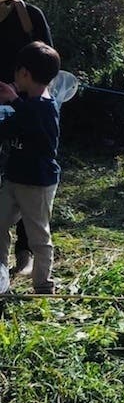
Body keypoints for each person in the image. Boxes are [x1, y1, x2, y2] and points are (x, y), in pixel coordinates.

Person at [0, 0, 53, 276]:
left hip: (28, 105)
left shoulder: (28, 17)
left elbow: (48, 63)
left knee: (28, 177)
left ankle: (26, 250)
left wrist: (19, 97)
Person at [0, 41, 62, 293]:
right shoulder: (25, 104)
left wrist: (15, 102)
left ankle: (43, 285)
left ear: (24, 73)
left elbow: (44, 141)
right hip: (13, 178)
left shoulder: (46, 107)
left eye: (16, 73)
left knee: (39, 237)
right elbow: (11, 130)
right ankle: (2, 274)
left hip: (37, 182)